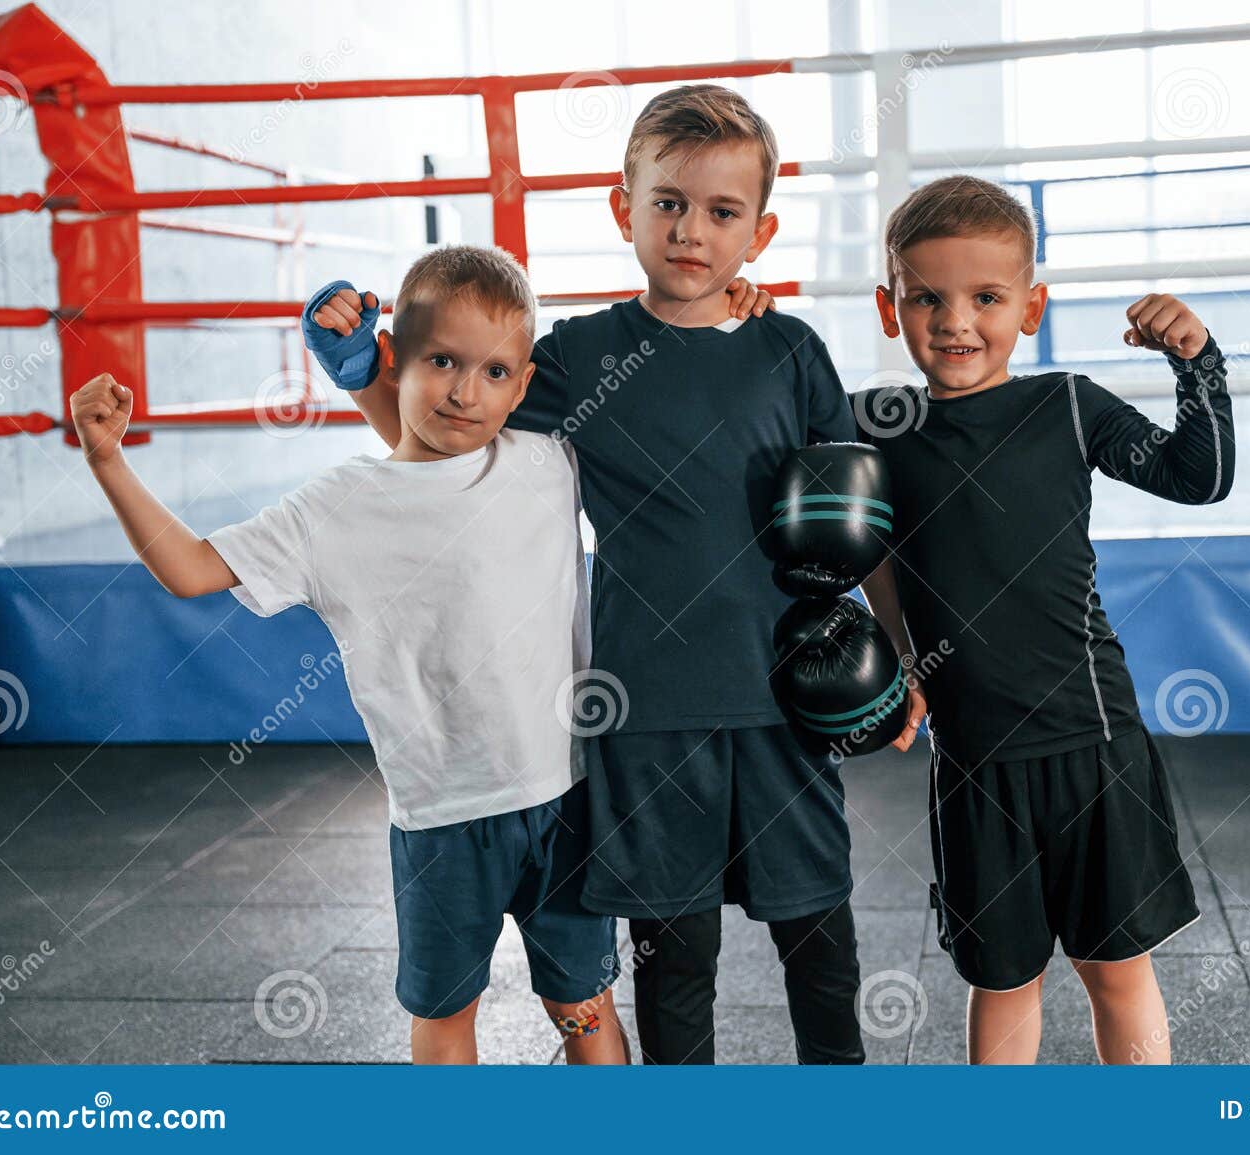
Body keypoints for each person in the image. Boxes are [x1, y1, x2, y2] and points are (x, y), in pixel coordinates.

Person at [305, 85, 925, 1065]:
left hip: (785, 705)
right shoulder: (578, 358)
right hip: (643, 715)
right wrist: (366, 379)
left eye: (723, 213)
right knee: (674, 964)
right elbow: (448, 448)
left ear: (757, 232)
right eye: (668, 203)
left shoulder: (790, 349)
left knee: (820, 948)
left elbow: (862, 525)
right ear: (621, 208)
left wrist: (899, 655)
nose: (692, 231)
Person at [72, 245, 627, 1065]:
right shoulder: (335, 509)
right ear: (394, 354)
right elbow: (189, 568)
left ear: (524, 380)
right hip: (441, 817)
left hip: (566, 797)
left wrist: (737, 302)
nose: (468, 391)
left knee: (583, 1007)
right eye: (443, 361)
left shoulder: (548, 463)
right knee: (445, 1021)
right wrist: (107, 460)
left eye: (497, 372)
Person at [857, 174, 1234, 1065]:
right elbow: (870, 552)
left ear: (1031, 307)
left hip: (1090, 744)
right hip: (974, 757)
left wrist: (1198, 361)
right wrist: (903, 659)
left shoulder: (1067, 403)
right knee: (1003, 979)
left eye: (986, 298)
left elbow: (1198, 476)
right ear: (888, 307)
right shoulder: (875, 426)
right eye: (927, 299)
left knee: (1114, 968)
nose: (955, 321)